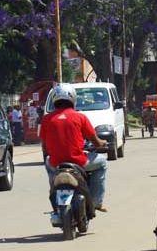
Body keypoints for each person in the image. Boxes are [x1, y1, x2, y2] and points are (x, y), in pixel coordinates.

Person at [40, 83, 109, 221]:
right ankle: (96, 201)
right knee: (102, 163)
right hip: (79, 162)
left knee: (48, 162)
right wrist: (103, 143)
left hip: (56, 164)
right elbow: (95, 141)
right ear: (73, 98)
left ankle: (54, 187)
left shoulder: (46, 119)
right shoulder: (80, 117)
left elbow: (44, 146)